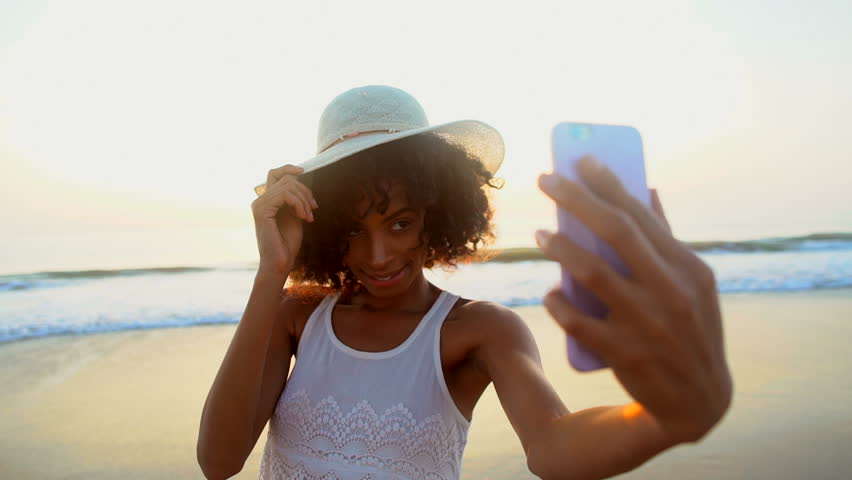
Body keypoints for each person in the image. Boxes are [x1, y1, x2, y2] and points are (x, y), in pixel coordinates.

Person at [196, 85, 733, 480]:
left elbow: (552, 445)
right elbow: (218, 462)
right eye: (355, 230)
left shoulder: (477, 330)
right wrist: (272, 271)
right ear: (327, 227)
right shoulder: (297, 316)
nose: (378, 255)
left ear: (437, 213)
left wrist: (664, 421)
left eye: (400, 223)